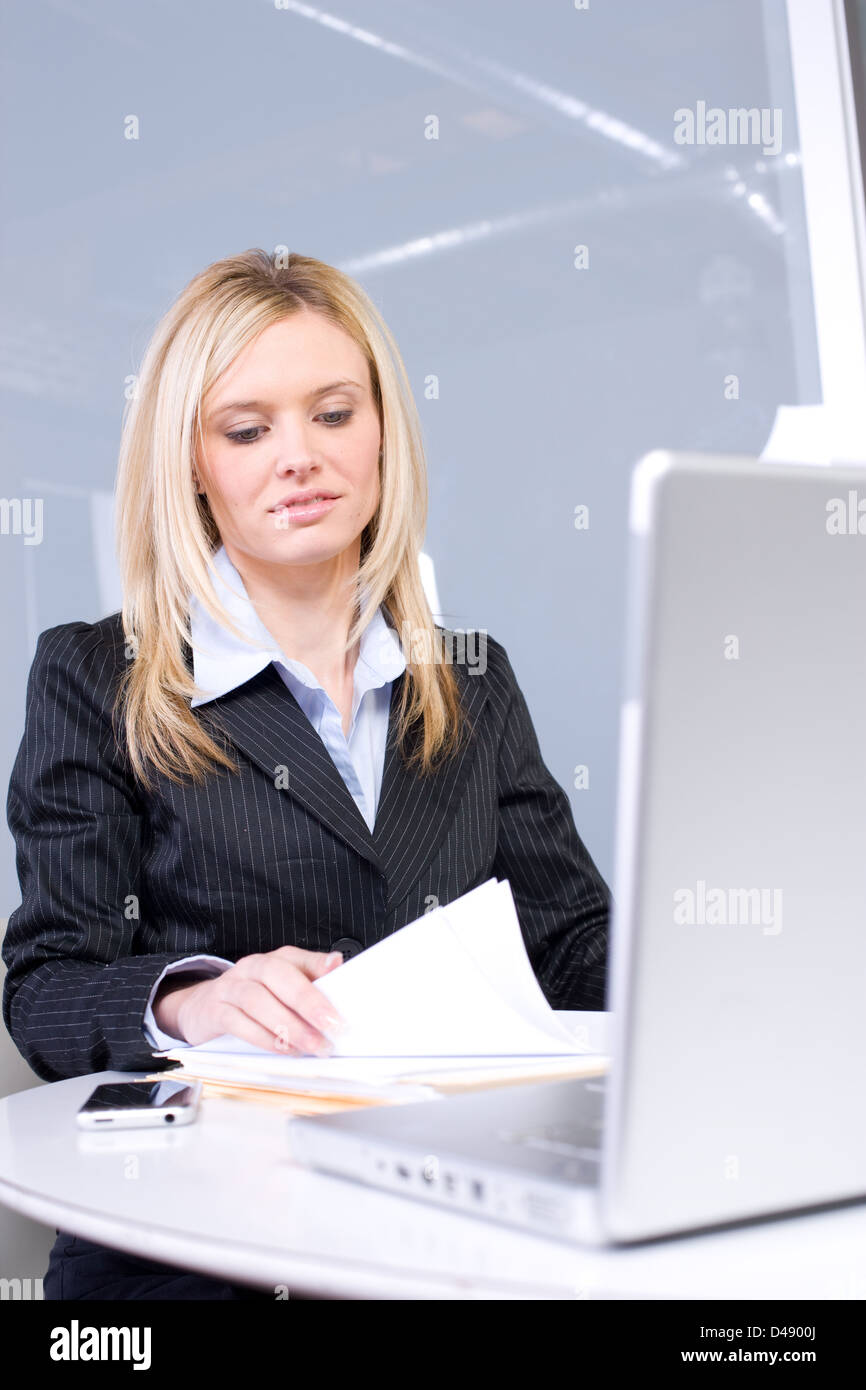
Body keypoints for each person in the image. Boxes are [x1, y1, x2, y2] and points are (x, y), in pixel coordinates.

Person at [2, 248, 611, 1299]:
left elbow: (569, 945)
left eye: (333, 414)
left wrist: (726, 967)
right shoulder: (99, 676)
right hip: (195, 1242)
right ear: (193, 460)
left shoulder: (468, 679)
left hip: (440, 1218)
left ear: (383, 432)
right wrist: (196, 998)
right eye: (247, 429)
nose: (299, 457)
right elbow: (48, 985)